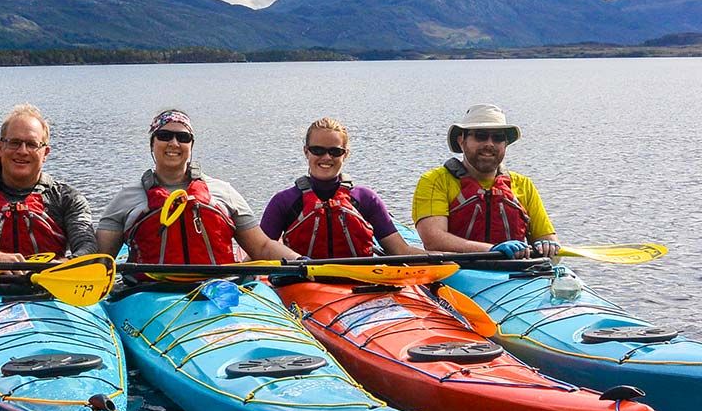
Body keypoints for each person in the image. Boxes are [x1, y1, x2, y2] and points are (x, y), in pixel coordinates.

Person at [96, 109, 299, 263]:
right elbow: (100, 260)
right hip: (148, 292)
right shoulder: (126, 198)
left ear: (191, 146)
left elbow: (261, 247)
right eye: (165, 136)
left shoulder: (223, 191)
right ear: (152, 144)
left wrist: (301, 262)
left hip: (219, 290)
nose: (174, 143)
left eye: (183, 138)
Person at [0, 104, 97, 261]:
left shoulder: (67, 199)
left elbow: (88, 248)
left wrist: (66, 263)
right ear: (0, 147)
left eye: (32, 144)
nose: (22, 151)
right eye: (14, 142)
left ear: (45, 153)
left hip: (49, 281)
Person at [261, 117, 425, 258]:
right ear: (306, 152)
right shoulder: (283, 202)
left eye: (335, 151)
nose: (326, 157)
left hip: (362, 283)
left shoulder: (366, 199)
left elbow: (401, 250)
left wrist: (445, 258)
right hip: (300, 284)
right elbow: (260, 249)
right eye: (317, 150)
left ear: (346, 154)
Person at [412, 104, 559, 258]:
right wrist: (491, 250)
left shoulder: (523, 185)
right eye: (480, 136)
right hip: (456, 270)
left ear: (505, 144)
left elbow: (546, 237)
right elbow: (434, 240)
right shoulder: (435, 181)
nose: (489, 144)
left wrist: (547, 244)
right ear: (462, 140)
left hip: (516, 272)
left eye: (498, 138)